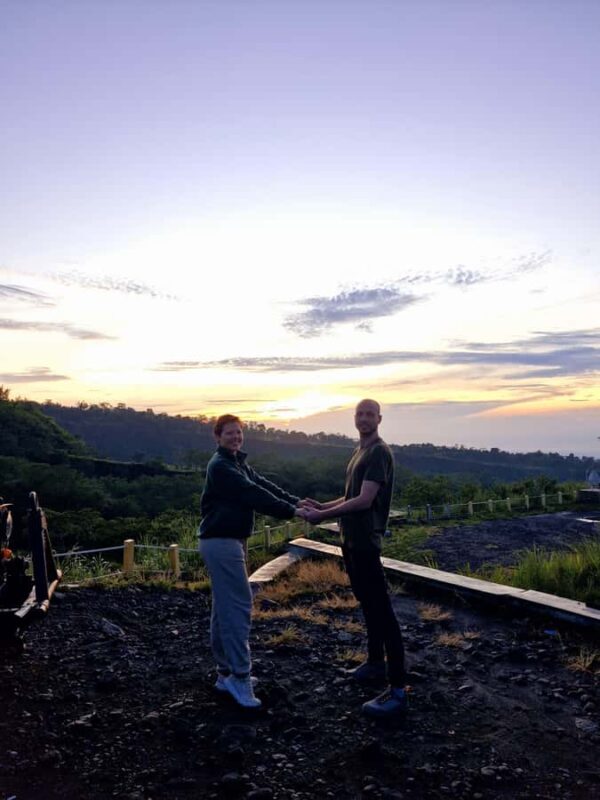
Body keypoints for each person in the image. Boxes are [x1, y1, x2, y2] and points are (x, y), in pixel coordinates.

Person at [303, 399, 408, 718]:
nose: (364, 419)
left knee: (384, 613)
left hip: (365, 543)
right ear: (354, 418)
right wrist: (322, 507)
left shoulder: (378, 451)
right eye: (359, 414)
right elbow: (351, 496)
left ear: (379, 418)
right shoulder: (359, 450)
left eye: (369, 414)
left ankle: (398, 689)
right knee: (367, 604)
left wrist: (323, 517)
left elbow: (364, 501)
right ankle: (376, 662)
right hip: (350, 541)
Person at [199, 413, 308, 709]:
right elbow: (252, 493)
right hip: (221, 542)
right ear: (217, 437)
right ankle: (240, 676)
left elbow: (262, 483)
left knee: (224, 608)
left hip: (228, 541)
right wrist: (292, 512)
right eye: (229, 433)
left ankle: (225, 674)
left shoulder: (237, 462)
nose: (235, 437)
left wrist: (296, 501)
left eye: (238, 432)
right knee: (238, 606)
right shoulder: (221, 466)